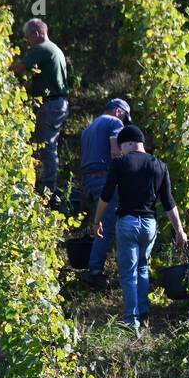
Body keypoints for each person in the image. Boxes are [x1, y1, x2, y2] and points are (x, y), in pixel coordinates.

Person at [91, 125, 189, 333]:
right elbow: (168, 202)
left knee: (128, 274)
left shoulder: (120, 164)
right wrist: (179, 230)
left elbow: (106, 195)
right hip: (149, 225)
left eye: (120, 147)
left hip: (127, 222)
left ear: (126, 143)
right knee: (143, 267)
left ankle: (131, 321)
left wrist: (97, 220)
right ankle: (143, 313)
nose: (118, 152)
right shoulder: (159, 165)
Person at [12, 18, 70, 203]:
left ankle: (48, 192)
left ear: (36, 34)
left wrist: (0, 72)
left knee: (47, 147)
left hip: (51, 104)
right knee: (47, 146)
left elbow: (18, 69)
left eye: (27, 37)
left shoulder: (41, 49)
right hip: (57, 103)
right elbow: (40, 82)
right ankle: (46, 189)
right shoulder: (55, 50)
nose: (27, 42)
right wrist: (20, 91)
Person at [79, 98, 131, 288]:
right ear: (118, 111)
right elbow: (116, 152)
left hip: (89, 179)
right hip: (103, 177)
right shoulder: (114, 123)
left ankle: (98, 265)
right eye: (125, 117)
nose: (124, 123)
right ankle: (94, 271)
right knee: (106, 225)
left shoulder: (88, 129)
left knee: (100, 221)